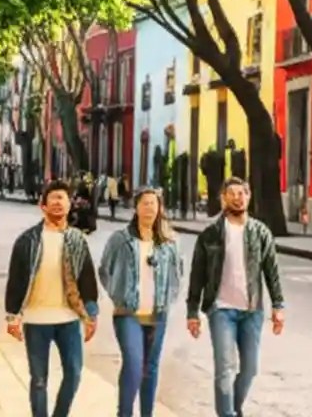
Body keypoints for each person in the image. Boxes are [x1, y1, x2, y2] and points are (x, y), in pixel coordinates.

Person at [186, 178, 285, 417]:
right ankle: (227, 413)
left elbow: (272, 271)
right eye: (231, 193)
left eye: (242, 193)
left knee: (250, 369)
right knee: (225, 368)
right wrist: (192, 313)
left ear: (248, 197)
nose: (237, 197)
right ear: (223, 198)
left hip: (252, 310)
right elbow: (197, 276)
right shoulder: (210, 235)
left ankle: (234, 408)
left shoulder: (261, 233)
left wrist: (278, 305)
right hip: (220, 309)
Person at [4, 181, 100, 417]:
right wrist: (12, 316)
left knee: (75, 373)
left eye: (63, 198)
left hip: (68, 319)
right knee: (38, 379)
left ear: (69, 206)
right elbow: (15, 280)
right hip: (36, 321)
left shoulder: (77, 240)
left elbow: (87, 280)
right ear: (43, 206)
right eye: (53, 198)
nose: (58, 203)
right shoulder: (27, 241)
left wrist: (91, 314)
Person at [99, 188, 182, 417]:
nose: (149, 208)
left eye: (153, 204)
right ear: (136, 208)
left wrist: (167, 298)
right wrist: (119, 295)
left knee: (150, 368)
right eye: (144, 204)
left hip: (158, 313)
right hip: (128, 314)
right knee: (134, 364)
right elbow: (105, 270)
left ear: (159, 208)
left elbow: (177, 274)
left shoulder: (168, 242)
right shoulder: (121, 239)